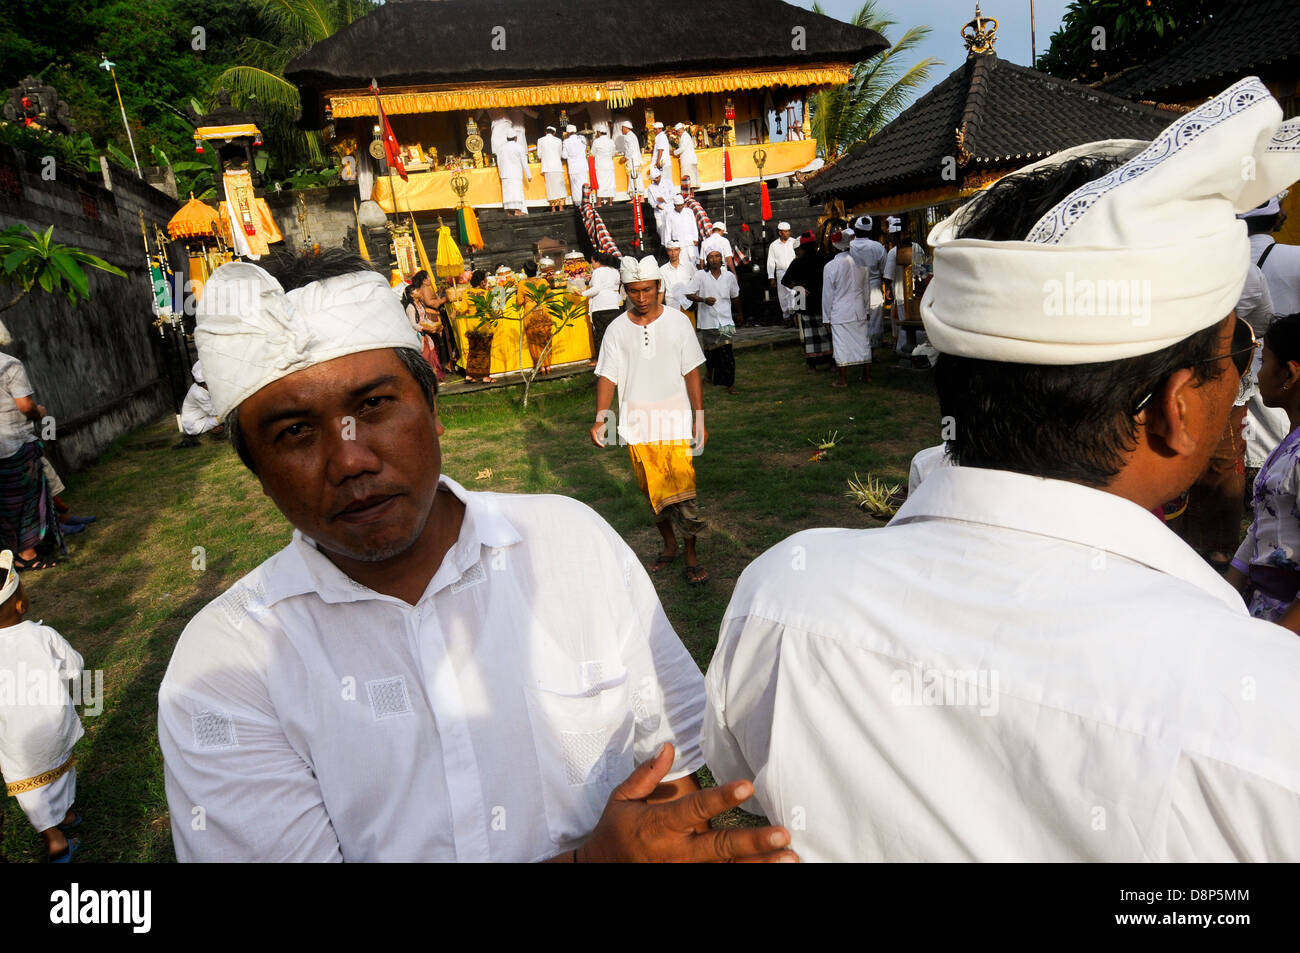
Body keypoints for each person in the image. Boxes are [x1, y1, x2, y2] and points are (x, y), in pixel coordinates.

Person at [703, 78, 1300, 861]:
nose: (1243, 385)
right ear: (1177, 408)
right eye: (1239, 354)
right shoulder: (1262, 712)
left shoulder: (780, 599)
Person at [159, 249, 795, 863]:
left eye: (373, 405)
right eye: (295, 431)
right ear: (257, 470)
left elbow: (669, 775)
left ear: (433, 410)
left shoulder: (573, 546)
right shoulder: (226, 667)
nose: (349, 459)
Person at [591, 255, 709, 585]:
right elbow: (607, 377)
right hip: (637, 426)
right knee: (653, 494)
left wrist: (699, 418)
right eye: (634, 291)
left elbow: (692, 372)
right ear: (625, 290)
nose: (641, 298)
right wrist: (601, 419)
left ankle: (691, 553)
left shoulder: (679, 322)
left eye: (647, 290)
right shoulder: (615, 330)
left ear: (659, 287)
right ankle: (669, 545)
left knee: (684, 494)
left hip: (675, 421)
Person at [1180, 267, 1272, 566]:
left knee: (1216, 456)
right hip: (1218, 370)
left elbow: (1256, 323)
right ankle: (1210, 543)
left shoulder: (1242, 270)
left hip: (1203, 372)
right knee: (1221, 458)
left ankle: (1204, 541)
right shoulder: (1246, 270)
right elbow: (1261, 320)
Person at [0, 550, 84, 861]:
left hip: (15, 739)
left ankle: (53, 836)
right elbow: (74, 667)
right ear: (20, 603)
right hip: (54, 725)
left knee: (28, 787)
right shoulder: (42, 635)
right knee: (60, 768)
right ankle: (66, 814)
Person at [1229, 312, 1300, 626]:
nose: (1257, 375)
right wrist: (1226, 597)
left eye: (1265, 361)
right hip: (1260, 611)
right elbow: (1261, 527)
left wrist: (1282, 638)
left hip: (1283, 620)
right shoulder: (1291, 444)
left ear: (1290, 374)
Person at [1242, 194, 1299, 469]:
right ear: (1278, 218)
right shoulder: (1295, 258)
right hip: (1283, 387)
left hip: (1235, 388)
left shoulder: (1209, 264)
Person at [0, 349, 61, 571]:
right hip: (15, 445)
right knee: (25, 501)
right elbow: (26, 406)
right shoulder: (9, 364)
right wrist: (39, 413)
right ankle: (27, 554)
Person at [822, 226, 871, 387]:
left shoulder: (830, 266)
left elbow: (828, 295)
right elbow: (866, 290)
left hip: (840, 312)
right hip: (858, 309)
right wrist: (867, 308)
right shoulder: (863, 264)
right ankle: (866, 376)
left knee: (841, 345)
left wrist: (826, 317)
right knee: (863, 342)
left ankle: (843, 380)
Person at [687, 249, 741, 394]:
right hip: (707, 320)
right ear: (707, 259)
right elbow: (689, 294)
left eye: (717, 256)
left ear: (721, 258)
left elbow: (735, 296)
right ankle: (709, 374)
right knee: (711, 352)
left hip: (726, 320)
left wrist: (740, 314)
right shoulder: (700, 275)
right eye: (711, 257)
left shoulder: (729, 276)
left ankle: (730, 384)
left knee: (727, 350)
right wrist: (703, 300)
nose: (714, 259)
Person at [782, 231, 833, 370]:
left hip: (802, 297)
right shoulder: (825, 258)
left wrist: (798, 287)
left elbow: (785, 281)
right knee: (826, 330)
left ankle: (812, 365)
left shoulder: (797, 262)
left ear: (802, 248)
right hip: (821, 297)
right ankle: (831, 361)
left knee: (809, 333)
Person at [401, 270, 450, 382]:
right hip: (419, 334)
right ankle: (427, 378)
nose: (420, 292)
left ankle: (435, 377)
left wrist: (435, 325)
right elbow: (413, 324)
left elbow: (426, 319)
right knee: (426, 355)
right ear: (412, 295)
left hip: (426, 332)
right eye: (417, 291)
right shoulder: (410, 307)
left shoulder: (420, 304)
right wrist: (424, 328)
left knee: (432, 354)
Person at [848, 215, 887, 348]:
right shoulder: (877, 247)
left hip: (854, 286)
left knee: (857, 317)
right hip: (873, 286)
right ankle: (873, 347)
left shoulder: (849, 247)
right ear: (870, 231)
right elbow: (884, 270)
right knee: (874, 318)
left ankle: (860, 347)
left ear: (855, 229)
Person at [582, 252, 624, 357]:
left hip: (601, 306)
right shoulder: (614, 271)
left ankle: (600, 358)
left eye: (592, 262)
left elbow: (596, 289)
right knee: (614, 332)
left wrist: (582, 293)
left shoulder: (597, 271)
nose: (591, 264)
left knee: (600, 333)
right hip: (613, 305)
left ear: (597, 261)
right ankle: (617, 355)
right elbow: (613, 285)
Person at [177, 359, 222, 449]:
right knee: (223, 416)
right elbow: (214, 412)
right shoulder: (198, 394)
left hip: (204, 417)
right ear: (204, 384)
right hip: (195, 425)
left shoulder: (201, 389)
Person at [766, 222, 797, 327]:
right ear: (780, 232)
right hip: (780, 272)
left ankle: (795, 316)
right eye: (785, 231)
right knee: (783, 296)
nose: (787, 233)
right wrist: (771, 277)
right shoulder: (774, 245)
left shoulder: (794, 242)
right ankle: (787, 317)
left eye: (789, 231)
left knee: (793, 293)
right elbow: (771, 262)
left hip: (793, 272)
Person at [660, 241, 697, 324]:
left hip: (688, 304)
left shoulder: (689, 266)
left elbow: (697, 283)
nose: (673, 253)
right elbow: (661, 291)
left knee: (690, 332)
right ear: (667, 251)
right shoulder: (662, 270)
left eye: (676, 250)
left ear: (680, 250)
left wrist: (696, 299)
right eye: (670, 250)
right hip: (672, 306)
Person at [496, 133, 531, 216]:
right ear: (515, 138)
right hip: (515, 173)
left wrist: (501, 174)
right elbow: (524, 163)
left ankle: (509, 212)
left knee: (507, 193)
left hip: (505, 174)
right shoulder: (519, 147)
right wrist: (529, 175)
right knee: (516, 192)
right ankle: (517, 211)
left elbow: (499, 163)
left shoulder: (501, 148)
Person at [537, 125, 566, 212]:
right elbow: (561, 154)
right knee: (560, 187)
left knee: (550, 188)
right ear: (554, 133)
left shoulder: (540, 140)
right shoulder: (558, 140)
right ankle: (561, 207)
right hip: (557, 166)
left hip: (547, 167)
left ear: (546, 132)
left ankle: (553, 207)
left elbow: (539, 155)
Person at [665, 194, 699, 265]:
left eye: (681, 205)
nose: (680, 207)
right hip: (678, 243)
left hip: (690, 241)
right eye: (678, 205)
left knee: (693, 261)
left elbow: (693, 225)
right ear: (674, 205)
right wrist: (668, 244)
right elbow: (668, 231)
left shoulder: (689, 212)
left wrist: (695, 238)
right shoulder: (670, 214)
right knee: (681, 263)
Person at [562, 125, 588, 206]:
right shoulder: (582, 138)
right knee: (584, 184)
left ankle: (578, 204)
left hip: (573, 167)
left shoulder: (566, 142)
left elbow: (564, 156)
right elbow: (585, 147)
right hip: (583, 165)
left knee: (575, 187)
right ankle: (586, 201)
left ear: (568, 133)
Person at [615, 119, 642, 197]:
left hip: (633, 161)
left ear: (626, 128)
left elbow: (630, 149)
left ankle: (635, 197)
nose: (621, 130)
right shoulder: (632, 135)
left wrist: (625, 158)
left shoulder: (628, 136)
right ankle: (641, 197)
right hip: (635, 160)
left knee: (633, 178)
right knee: (638, 178)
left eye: (622, 128)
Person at [591, 128, 617, 207]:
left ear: (599, 132)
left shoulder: (596, 141)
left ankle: (599, 203)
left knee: (600, 183)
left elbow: (592, 153)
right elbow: (613, 153)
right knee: (611, 183)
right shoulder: (611, 141)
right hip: (609, 164)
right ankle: (610, 202)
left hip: (600, 165)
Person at [673, 123, 698, 194]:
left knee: (689, 178)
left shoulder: (685, 136)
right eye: (677, 132)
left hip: (688, 160)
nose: (678, 133)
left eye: (678, 131)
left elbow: (682, 148)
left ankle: (690, 195)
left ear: (682, 129)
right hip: (688, 160)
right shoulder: (684, 136)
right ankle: (689, 194)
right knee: (690, 178)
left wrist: (674, 152)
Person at [651, 121, 674, 190]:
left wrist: (658, 161)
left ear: (660, 129)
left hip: (662, 163)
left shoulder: (659, 136)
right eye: (654, 129)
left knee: (663, 181)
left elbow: (660, 150)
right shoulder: (662, 136)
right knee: (666, 181)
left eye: (655, 129)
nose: (654, 131)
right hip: (665, 163)